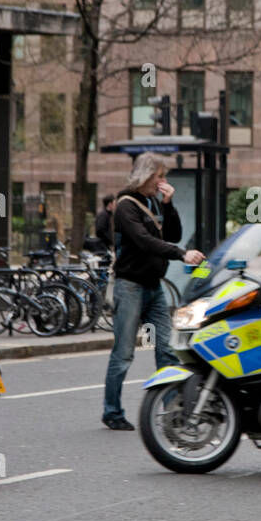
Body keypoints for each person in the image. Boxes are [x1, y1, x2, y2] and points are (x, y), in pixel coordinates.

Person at [101, 153, 204, 431]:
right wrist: (182, 255)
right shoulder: (125, 206)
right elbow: (145, 242)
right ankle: (112, 412)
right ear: (145, 175)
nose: (163, 181)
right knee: (124, 354)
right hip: (130, 286)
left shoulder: (152, 202)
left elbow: (172, 234)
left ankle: (172, 411)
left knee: (167, 350)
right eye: (159, 176)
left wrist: (168, 205)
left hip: (153, 288)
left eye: (164, 176)